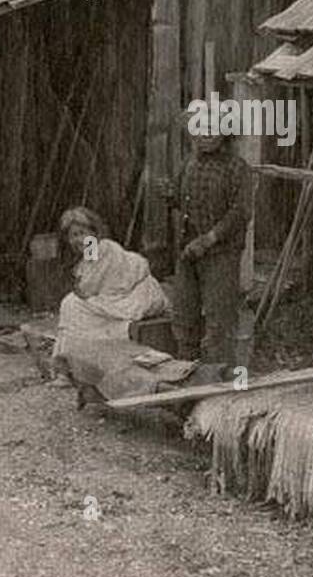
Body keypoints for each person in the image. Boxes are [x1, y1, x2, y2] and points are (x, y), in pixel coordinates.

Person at [152, 116, 253, 370]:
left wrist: (208, 239)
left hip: (221, 253)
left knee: (219, 319)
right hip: (189, 251)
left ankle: (220, 379)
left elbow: (240, 212)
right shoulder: (189, 163)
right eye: (201, 130)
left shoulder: (237, 167)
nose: (206, 135)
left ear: (223, 135)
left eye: (212, 130)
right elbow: (181, 201)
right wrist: (169, 194)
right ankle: (186, 372)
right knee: (184, 313)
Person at [49, 207, 168, 387]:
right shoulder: (90, 252)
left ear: (93, 232)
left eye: (82, 233)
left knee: (71, 305)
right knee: (71, 306)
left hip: (135, 296)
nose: (77, 239)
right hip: (118, 296)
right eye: (73, 235)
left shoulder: (102, 247)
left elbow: (89, 287)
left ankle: (66, 367)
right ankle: (68, 367)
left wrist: (81, 289)